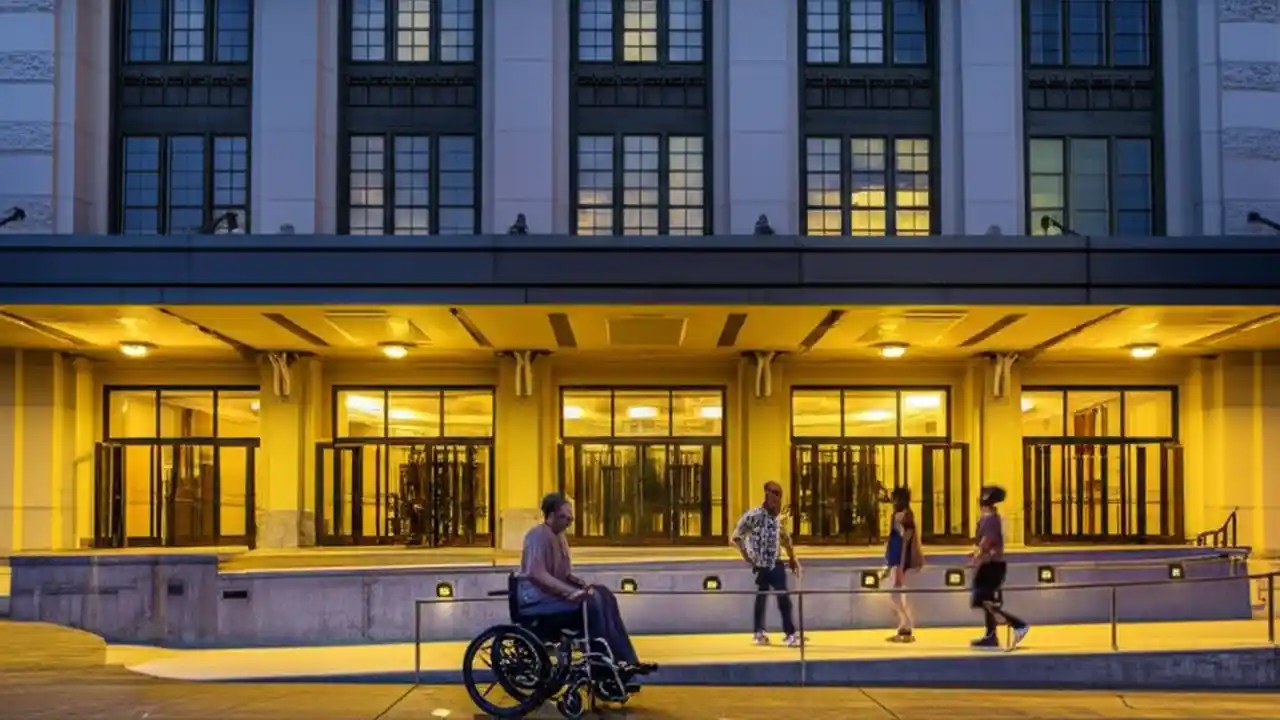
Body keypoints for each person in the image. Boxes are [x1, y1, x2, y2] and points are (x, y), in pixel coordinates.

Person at [518, 492, 656, 678]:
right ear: (550, 515)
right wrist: (569, 592)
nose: (568, 521)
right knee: (592, 604)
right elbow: (537, 573)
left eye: (570, 518)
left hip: (553, 596)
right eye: (563, 517)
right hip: (538, 601)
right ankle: (601, 664)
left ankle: (626, 660)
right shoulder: (537, 536)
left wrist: (578, 584)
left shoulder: (559, 537)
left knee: (604, 595)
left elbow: (562, 573)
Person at [731, 480, 802, 647]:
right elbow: (736, 536)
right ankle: (759, 632)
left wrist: (792, 559)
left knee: (783, 597)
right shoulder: (753, 516)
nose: (777, 499)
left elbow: (785, 540)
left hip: (775, 562)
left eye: (779, 495)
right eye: (774, 494)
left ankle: (789, 633)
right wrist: (747, 556)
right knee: (761, 597)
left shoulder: (777, 520)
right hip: (760, 563)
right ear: (767, 493)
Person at [968, 485, 1030, 650]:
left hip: (991, 566)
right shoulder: (990, 518)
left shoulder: (989, 519)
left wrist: (977, 556)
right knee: (986, 600)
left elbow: (987, 541)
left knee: (984, 600)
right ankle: (991, 635)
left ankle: (1017, 625)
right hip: (991, 564)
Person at [884, 487, 924, 643]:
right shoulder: (898, 515)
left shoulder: (905, 516)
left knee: (896, 595)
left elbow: (906, 542)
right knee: (898, 595)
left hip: (902, 561)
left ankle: (906, 623)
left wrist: (901, 565)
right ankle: (904, 626)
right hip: (895, 559)